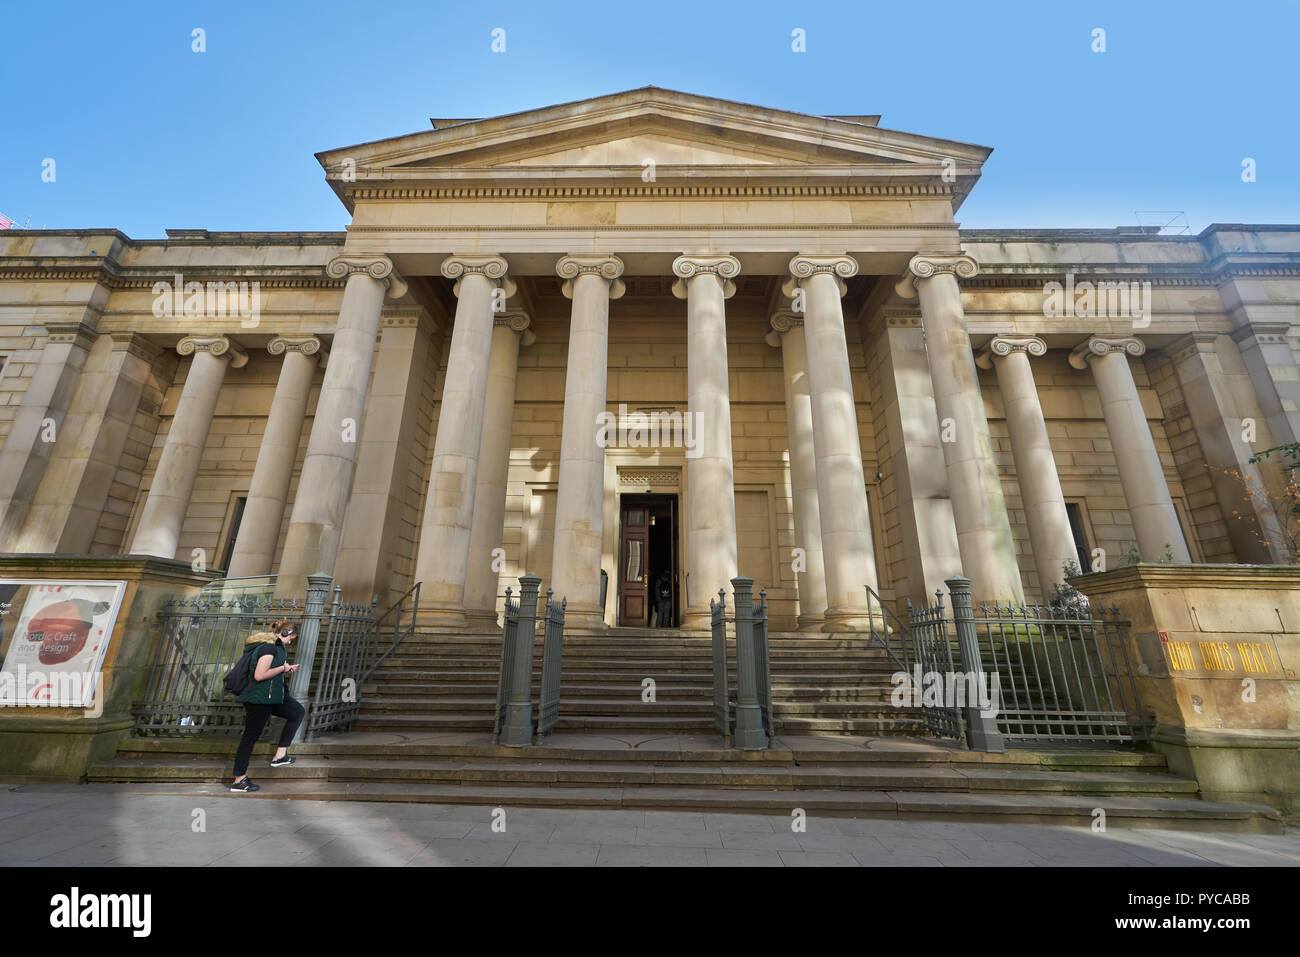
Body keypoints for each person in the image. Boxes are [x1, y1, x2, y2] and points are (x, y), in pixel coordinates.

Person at [230, 619, 304, 793]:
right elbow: (260, 675)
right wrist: (282, 668)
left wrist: (284, 668)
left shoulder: (276, 647)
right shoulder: (268, 648)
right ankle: (239, 779)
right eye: (290, 638)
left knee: (297, 712)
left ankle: (280, 755)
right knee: (250, 737)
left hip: (272, 698)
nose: (290, 641)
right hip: (259, 700)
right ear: (284, 633)